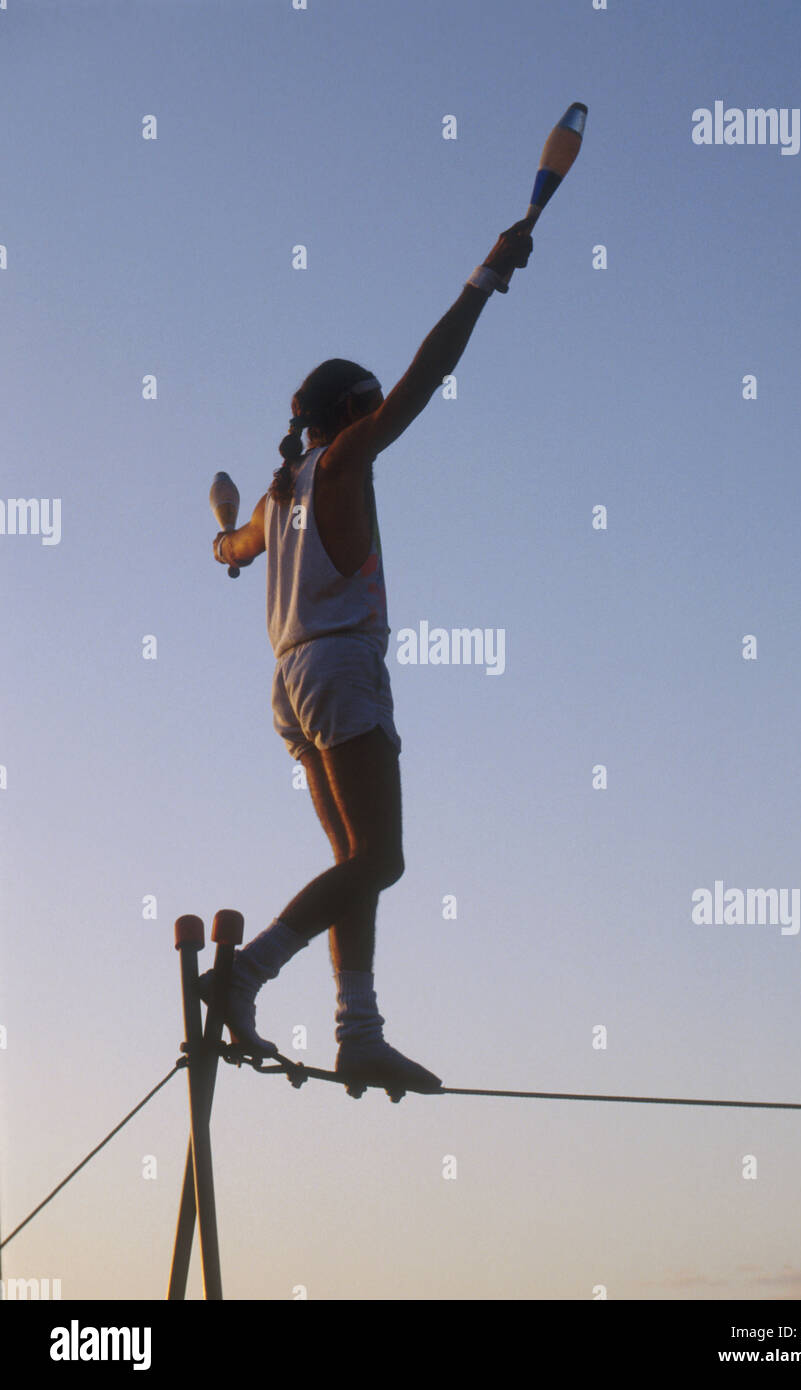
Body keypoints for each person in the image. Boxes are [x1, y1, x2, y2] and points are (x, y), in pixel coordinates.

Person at [200, 221, 533, 1095]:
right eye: (370, 403)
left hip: (288, 686)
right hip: (342, 670)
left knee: (356, 860)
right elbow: (430, 376)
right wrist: (484, 277)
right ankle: (249, 972)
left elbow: (229, 551)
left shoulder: (279, 502)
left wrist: (218, 525)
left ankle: (358, 1031)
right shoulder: (344, 460)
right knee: (379, 859)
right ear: (351, 413)